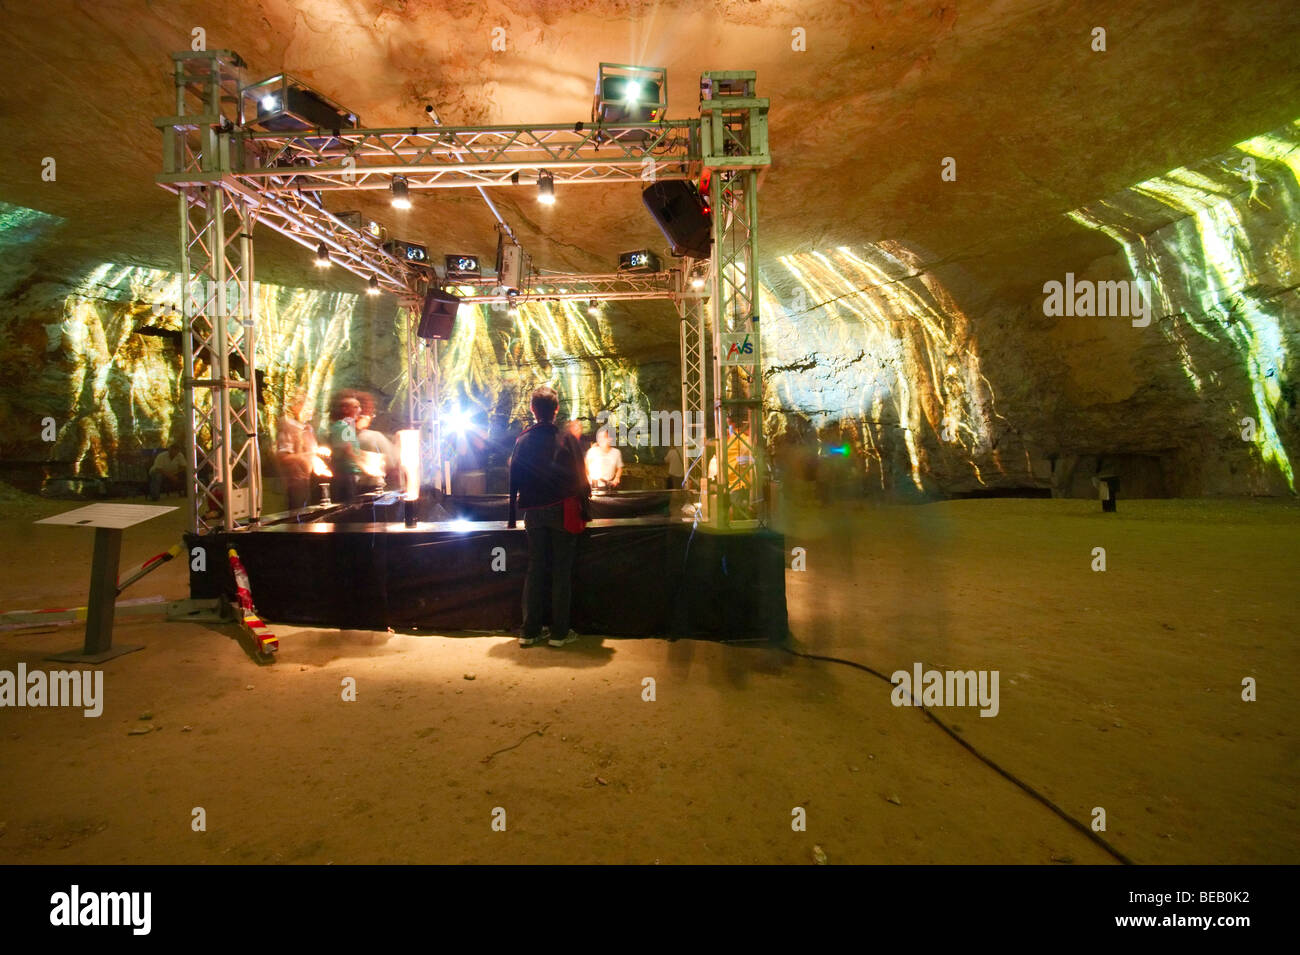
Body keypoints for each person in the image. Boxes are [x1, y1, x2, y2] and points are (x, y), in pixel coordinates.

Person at [508, 385, 590, 648]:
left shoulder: (522, 439)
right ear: (556, 410)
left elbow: (514, 478)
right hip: (562, 511)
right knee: (561, 571)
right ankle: (559, 633)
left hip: (533, 512)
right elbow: (581, 477)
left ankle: (530, 631)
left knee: (536, 569)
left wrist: (512, 514)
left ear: (532, 409)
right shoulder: (565, 438)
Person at [276, 390, 316, 509]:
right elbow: (283, 456)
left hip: (308, 480)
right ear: (295, 406)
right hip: (296, 481)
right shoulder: (289, 426)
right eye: (306, 406)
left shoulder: (306, 428)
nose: (310, 411)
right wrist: (304, 457)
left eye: (311, 407)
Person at [328, 393, 363, 504]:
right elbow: (347, 450)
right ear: (345, 409)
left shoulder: (347, 427)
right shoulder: (342, 427)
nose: (360, 410)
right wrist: (366, 464)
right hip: (345, 477)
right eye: (356, 407)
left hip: (349, 476)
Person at [585, 426, 623, 491]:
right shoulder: (592, 451)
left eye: (604, 437)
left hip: (609, 486)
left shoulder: (616, 452)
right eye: (599, 437)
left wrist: (617, 478)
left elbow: (619, 467)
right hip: (593, 486)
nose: (601, 439)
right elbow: (585, 467)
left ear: (610, 438)